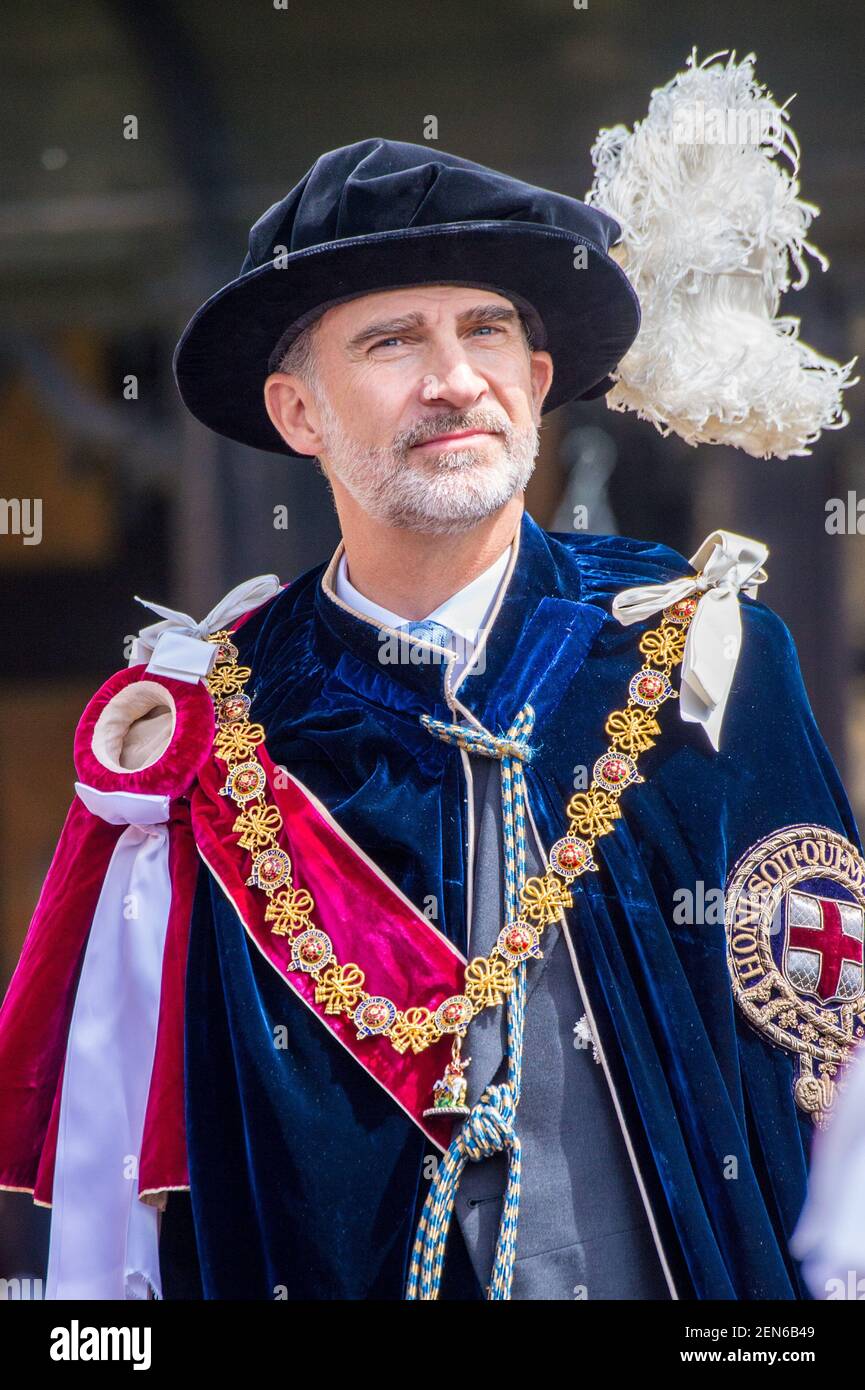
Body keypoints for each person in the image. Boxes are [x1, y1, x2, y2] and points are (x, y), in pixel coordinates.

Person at [1, 132, 863, 1303]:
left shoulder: (702, 660)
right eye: (393, 340)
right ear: (296, 410)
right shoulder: (216, 729)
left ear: (539, 378)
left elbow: (828, 1050)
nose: (454, 378)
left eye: (487, 330)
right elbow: (146, 1175)